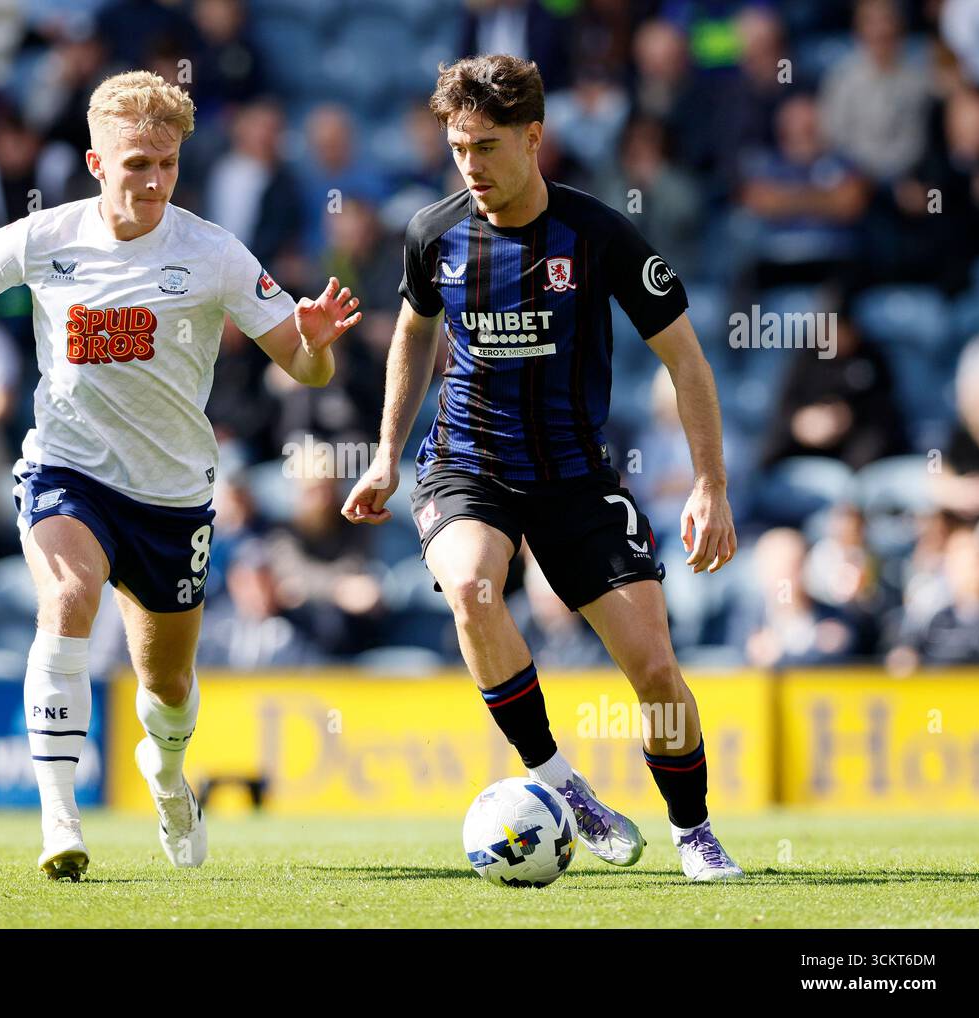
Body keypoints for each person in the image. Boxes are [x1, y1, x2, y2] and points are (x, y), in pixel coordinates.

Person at [0, 71, 361, 880]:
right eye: (136, 165)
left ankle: (165, 774)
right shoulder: (43, 239)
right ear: (95, 163)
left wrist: (319, 340)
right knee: (69, 597)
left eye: (167, 164)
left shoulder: (212, 253)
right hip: (68, 470)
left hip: (172, 496)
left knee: (168, 685)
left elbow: (304, 370)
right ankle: (59, 819)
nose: (154, 181)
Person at [343, 55, 743, 882]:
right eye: (458, 148)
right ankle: (562, 783)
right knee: (472, 589)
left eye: (487, 147)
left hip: (575, 476)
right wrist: (386, 454)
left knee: (657, 670)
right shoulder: (432, 232)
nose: (471, 167)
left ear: (534, 137)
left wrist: (709, 483)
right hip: (468, 465)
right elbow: (414, 334)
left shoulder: (599, 234)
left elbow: (688, 362)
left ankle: (695, 831)